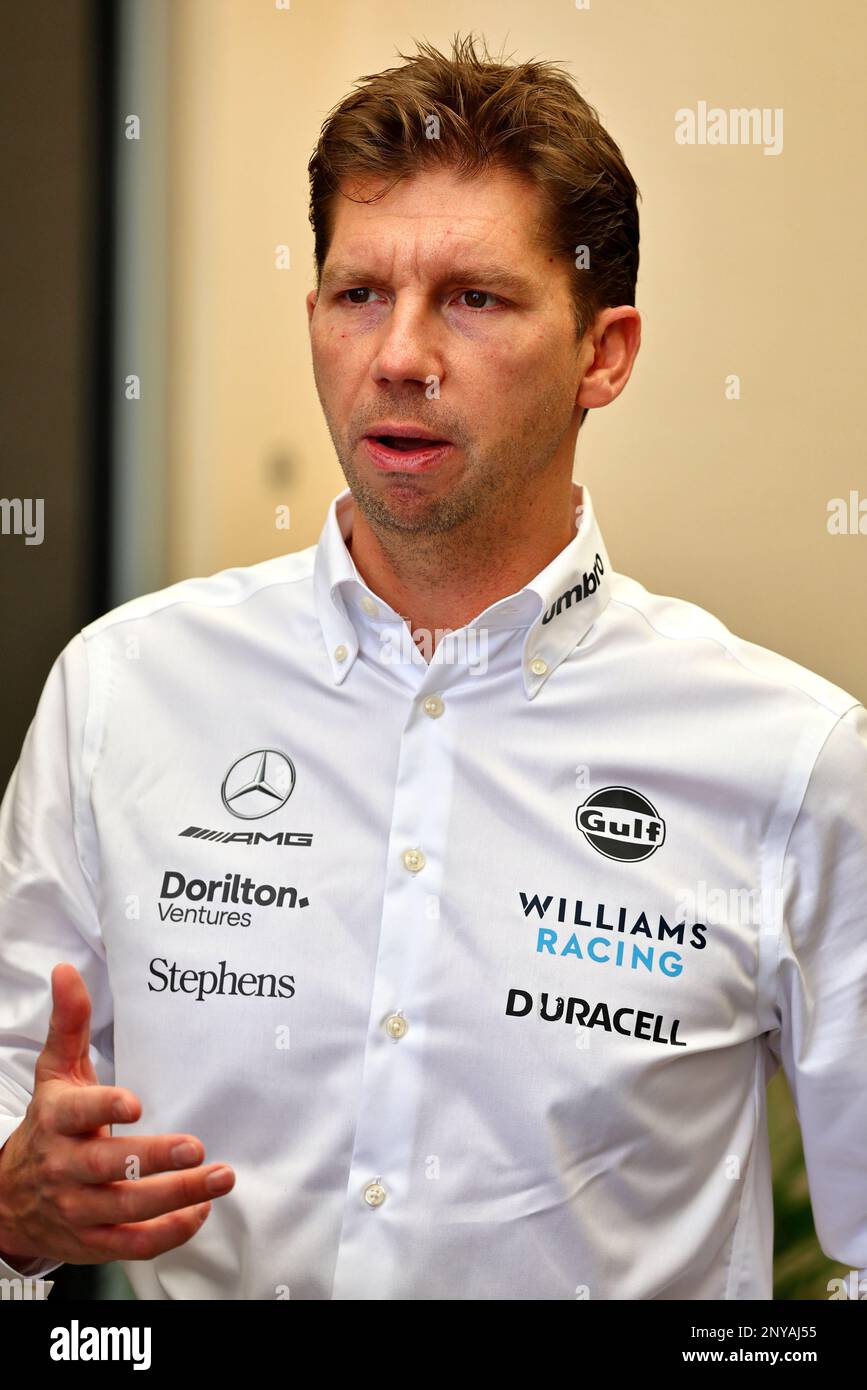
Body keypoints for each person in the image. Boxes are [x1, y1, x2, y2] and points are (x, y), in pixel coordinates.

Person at [0, 33, 865, 1301]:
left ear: (603, 352)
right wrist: (14, 1215)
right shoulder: (121, 692)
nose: (398, 353)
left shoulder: (790, 760)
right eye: (359, 295)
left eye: (474, 297)